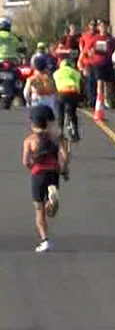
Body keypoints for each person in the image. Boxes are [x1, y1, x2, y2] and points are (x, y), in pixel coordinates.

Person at [22, 107, 68, 253]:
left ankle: (44, 240)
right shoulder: (56, 138)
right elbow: (65, 155)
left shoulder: (30, 140)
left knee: (39, 208)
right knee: (50, 208)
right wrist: (63, 169)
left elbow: (25, 161)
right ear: (47, 124)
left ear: (33, 124)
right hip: (53, 172)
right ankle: (51, 197)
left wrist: (32, 167)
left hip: (38, 174)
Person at [52, 57, 82, 142]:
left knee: (60, 112)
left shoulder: (56, 73)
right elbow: (79, 83)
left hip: (62, 92)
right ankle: (76, 132)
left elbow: (55, 86)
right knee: (72, 113)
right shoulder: (76, 72)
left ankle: (60, 132)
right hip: (74, 92)